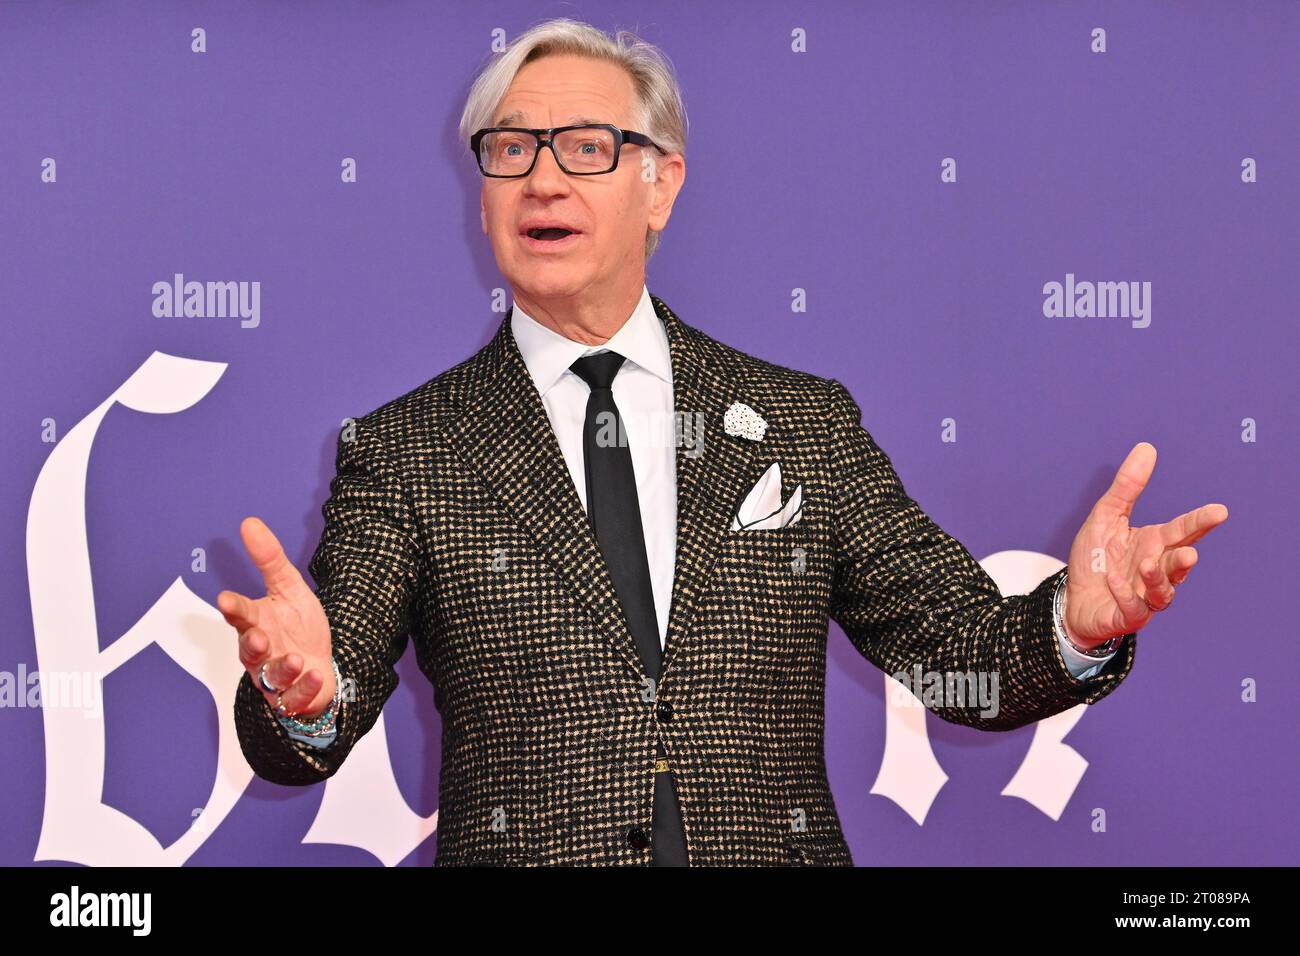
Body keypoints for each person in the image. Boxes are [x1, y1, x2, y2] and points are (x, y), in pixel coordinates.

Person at [220, 18, 1228, 866]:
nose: (540, 179)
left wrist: (1077, 626)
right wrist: (301, 694)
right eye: (510, 148)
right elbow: (312, 712)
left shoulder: (800, 422)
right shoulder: (405, 451)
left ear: (660, 185)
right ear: (480, 192)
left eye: (585, 147)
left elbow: (964, 654)